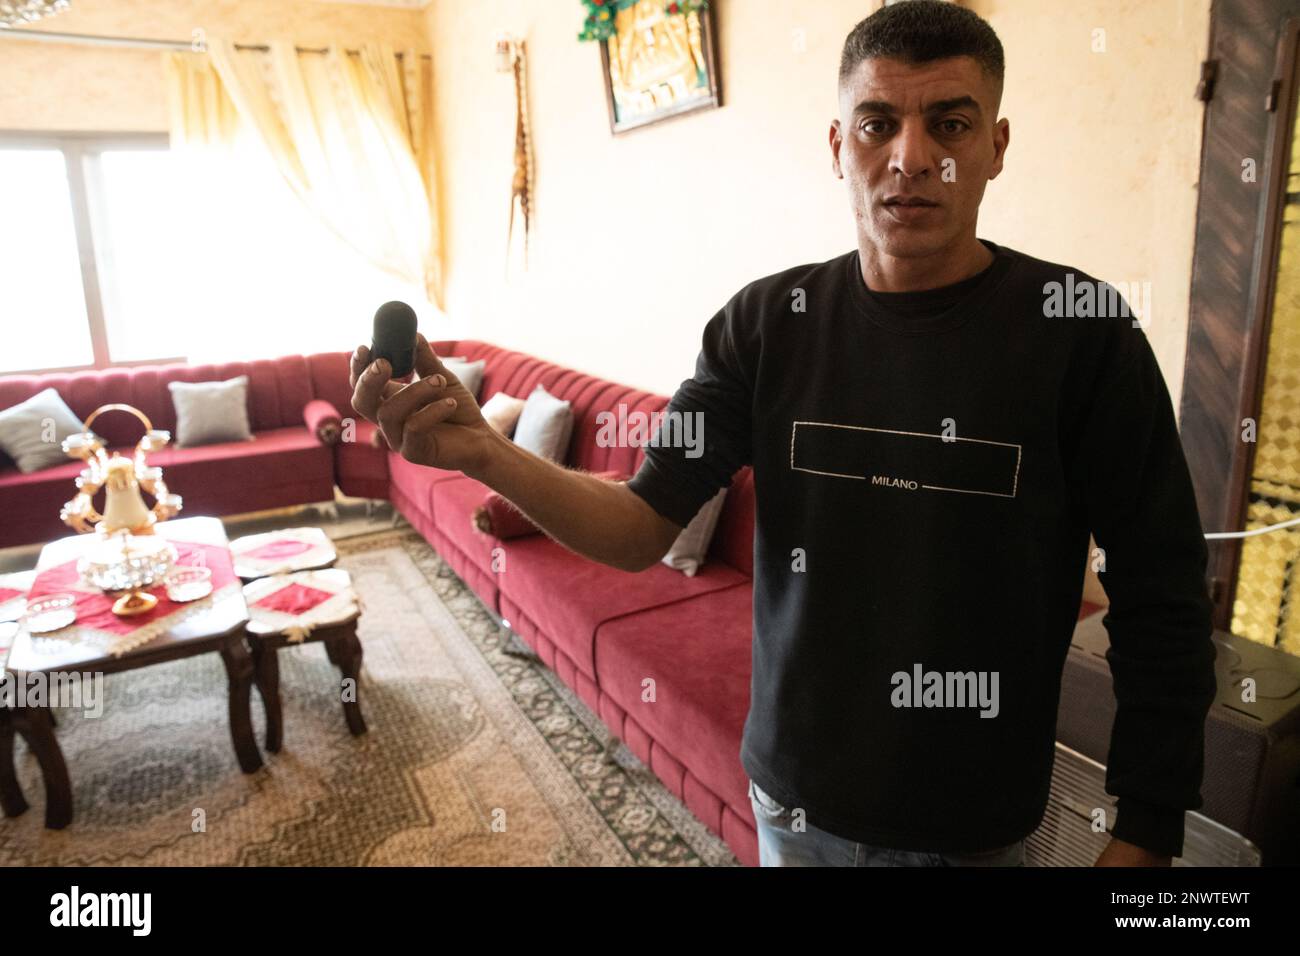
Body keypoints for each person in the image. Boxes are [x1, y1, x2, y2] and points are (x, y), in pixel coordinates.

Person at [349, 0, 1216, 867]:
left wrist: (1148, 828)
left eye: (950, 124)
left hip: (972, 829)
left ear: (996, 146)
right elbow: (643, 525)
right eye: (878, 124)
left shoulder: (1081, 333)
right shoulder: (767, 325)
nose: (912, 157)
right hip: (793, 809)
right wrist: (485, 451)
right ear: (839, 146)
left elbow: (1161, 590)